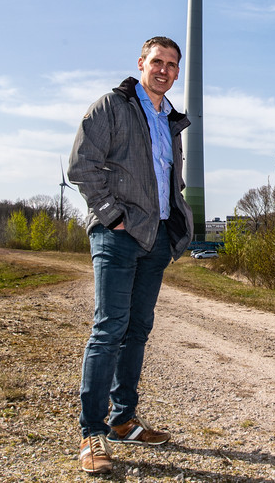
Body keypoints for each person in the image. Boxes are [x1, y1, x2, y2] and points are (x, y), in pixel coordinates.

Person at [69, 36, 195, 475]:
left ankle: (124, 419)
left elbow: (166, 179)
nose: (164, 70)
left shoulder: (170, 120)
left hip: (157, 236)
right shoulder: (111, 106)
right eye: (157, 61)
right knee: (109, 328)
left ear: (178, 71)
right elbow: (81, 166)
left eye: (172, 64)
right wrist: (112, 215)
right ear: (141, 63)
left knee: (138, 328)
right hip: (118, 235)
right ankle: (92, 433)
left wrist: (177, 218)